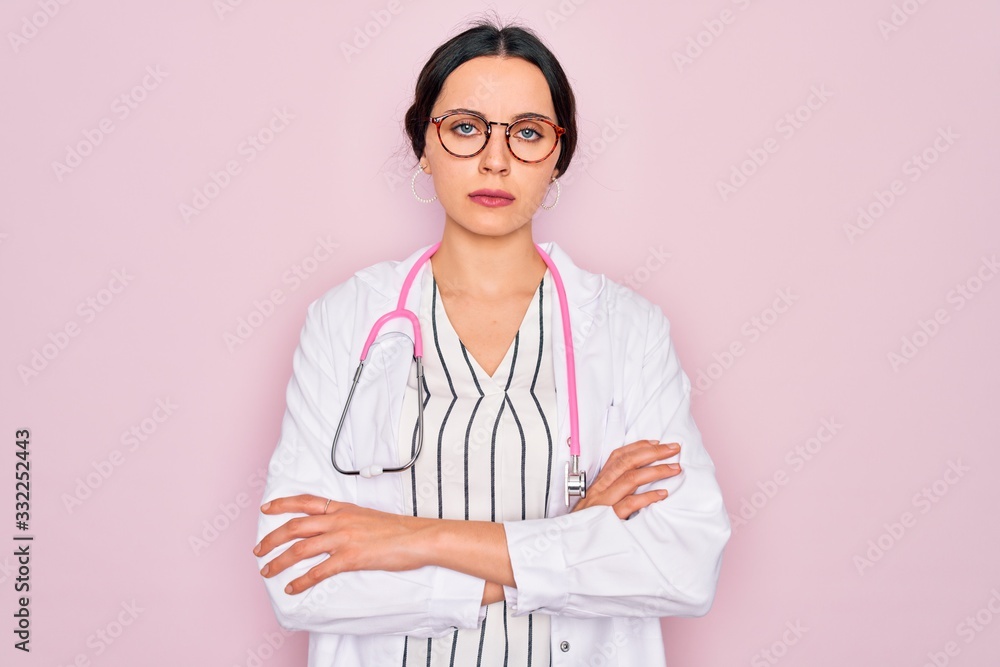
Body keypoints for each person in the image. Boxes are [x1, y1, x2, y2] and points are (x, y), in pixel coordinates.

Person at [253, 15, 731, 667]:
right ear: (423, 144)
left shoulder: (628, 330)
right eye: (465, 128)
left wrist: (409, 539)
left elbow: (682, 563)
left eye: (528, 133)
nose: (496, 158)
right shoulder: (345, 321)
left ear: (559, 155)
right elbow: (297, 576)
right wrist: (572, 538)